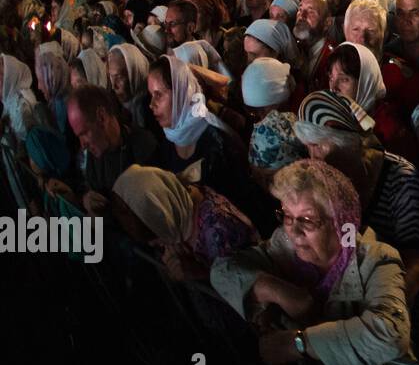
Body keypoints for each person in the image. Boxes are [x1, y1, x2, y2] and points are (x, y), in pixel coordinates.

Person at [210, 159, 414, 365]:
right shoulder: (281, 246)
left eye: (307, 220)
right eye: (286, 216)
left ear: (339, 222)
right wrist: (267, 286)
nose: (293, 232)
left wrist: (298, 343)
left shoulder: (376, 260)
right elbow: (223, 269)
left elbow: (391, 333)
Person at [293, 91, 419, 305]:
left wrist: (381, 313)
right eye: (308, 147)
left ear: (346, 142)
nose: (313, 158)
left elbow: (415, 262)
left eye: (318, 146)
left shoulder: (401, 179)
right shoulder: (324, 181)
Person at [147, 55, 271, 234]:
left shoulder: (219, 145)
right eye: (151, 95)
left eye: (158, 95)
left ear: (182, 92)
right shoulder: (168, 140)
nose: (152, 104)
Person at [111, 164, 258, 281]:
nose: (152, 244)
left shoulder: (220, 230)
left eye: (155, 237)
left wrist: (201, 273)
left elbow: (253, 286)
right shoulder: (177, 208)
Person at [67, 84, 159, 215]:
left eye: (84, 133)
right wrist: (86, 199)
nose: (83, 145)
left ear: (101, 117)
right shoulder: (91, 153)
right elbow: (85, 187)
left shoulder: (143, 146)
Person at [328, 42, 416, 162]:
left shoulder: (389, 130)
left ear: (365, 82)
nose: (333, 88)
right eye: (331, 78)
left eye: (344, 79)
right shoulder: (333, 118)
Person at [107, 42, 156, 133]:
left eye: (119, 77)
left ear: (135, 74)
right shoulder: (111, 107)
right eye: (111, 76)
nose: (114, 86)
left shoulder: (154, 106)